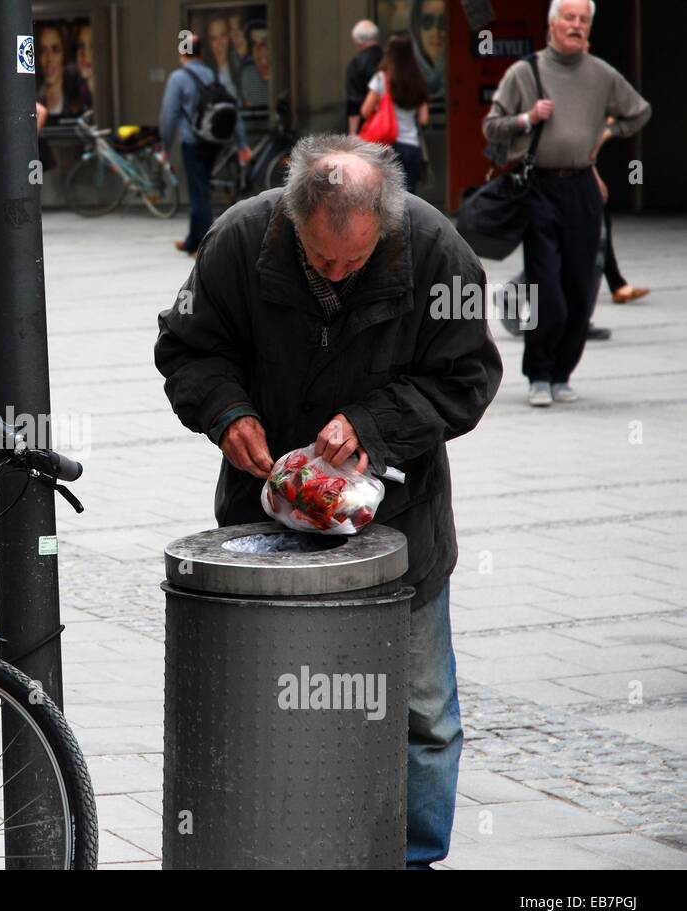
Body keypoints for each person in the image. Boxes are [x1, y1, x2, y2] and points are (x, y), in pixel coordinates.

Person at [155, 135, 503, 869]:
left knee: (422, 714)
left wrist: (372, 427)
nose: (338, 274)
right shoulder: (241, 241)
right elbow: (188, 348)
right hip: (265, 522)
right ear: (293, 218)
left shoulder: (438, 252)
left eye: (356, 260)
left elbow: (466, 377)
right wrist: (227, 413)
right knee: (268, 701)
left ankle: (413, 858)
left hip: (398, 528)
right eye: (323, 261)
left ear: (388, 221)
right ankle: (279, 845)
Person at [483, 0, 650, 407]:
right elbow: (492, 127)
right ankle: (539, 373)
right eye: (569, 19)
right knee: (547, 291)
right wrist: (527, 119)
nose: (576, 25)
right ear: (552, 25)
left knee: (581, 288)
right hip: (539, 187)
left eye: (583, 20)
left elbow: (639, 112)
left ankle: (562, 374)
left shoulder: (601, 74)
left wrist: (606, 134)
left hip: (582, 190)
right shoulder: (526, 71)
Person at [159, 37, 252, 256]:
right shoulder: (214, 75)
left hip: (193, 142)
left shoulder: (178, 78)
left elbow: (168, 115)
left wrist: (164, 146)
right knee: (200, 188)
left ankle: (206, 246)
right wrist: (242, 143)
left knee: (198, 193)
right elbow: (232, 107)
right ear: (200, 53)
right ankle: (192, 240)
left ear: (182, 54)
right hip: (215, 141)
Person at [360, 34, 430, 192]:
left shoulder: (381, 78)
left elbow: (365, 111)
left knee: (387, 198)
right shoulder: (418, 79)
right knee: (409, 198)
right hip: (412, 146)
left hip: (387, 145)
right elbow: (424, 120)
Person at [345, 20, 384, 134]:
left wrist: (353, 134)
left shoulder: (356, 64)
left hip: (367, 127)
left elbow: (354, 103)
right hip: (393, 127)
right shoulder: (389, 60)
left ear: (357, 41)